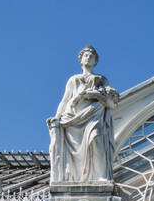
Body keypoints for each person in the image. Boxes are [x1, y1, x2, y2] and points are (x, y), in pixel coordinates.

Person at [48, 46, 119, 183]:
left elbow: (110, 100)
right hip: (73, 118)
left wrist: (94, 94)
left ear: (95, 62)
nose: (88, 58)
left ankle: (100, 176)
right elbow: (65, 99)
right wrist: (57, 117)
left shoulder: (101, 79)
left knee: (96, 139)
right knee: (74, 149)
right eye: (85, 55)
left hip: (94, 115)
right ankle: (77, 178)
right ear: (80, 59)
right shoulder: (74, 80)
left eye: (91, 56)